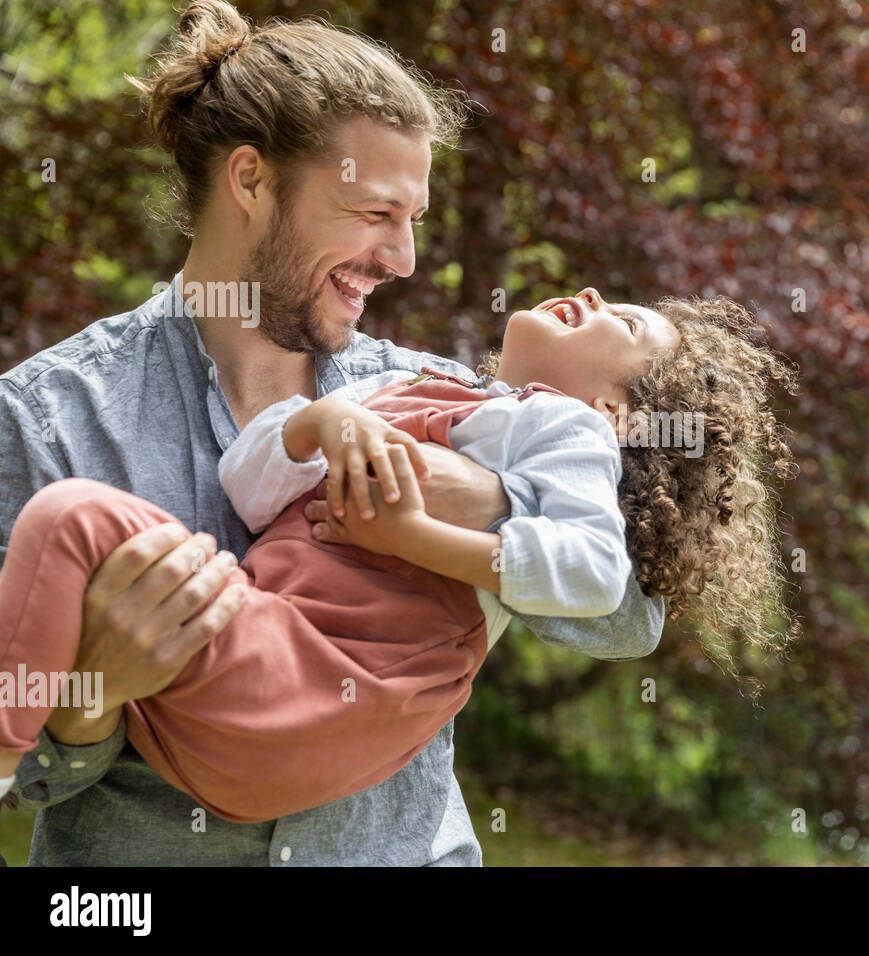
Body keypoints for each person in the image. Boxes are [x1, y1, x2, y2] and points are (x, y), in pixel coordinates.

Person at [0, 0, 661, 865]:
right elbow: (35, 782)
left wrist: (493, 503)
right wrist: (92, 701)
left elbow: (627, 620)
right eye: (375, 213)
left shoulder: (444, 403)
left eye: (413, 219)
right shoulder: (47, 417)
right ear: (251, 180)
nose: (404, 259)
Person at [0, 288, 798, 824]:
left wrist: (424, 531)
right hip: (239, 721)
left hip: (302, 689)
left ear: (613, 412)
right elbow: (248, 492)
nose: (589, 295)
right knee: (90, 555)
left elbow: (601, 582)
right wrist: (316, 425)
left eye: (619, 323)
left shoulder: (565, 428)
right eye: (376, 210)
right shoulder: (409, 387)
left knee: (71, 521)